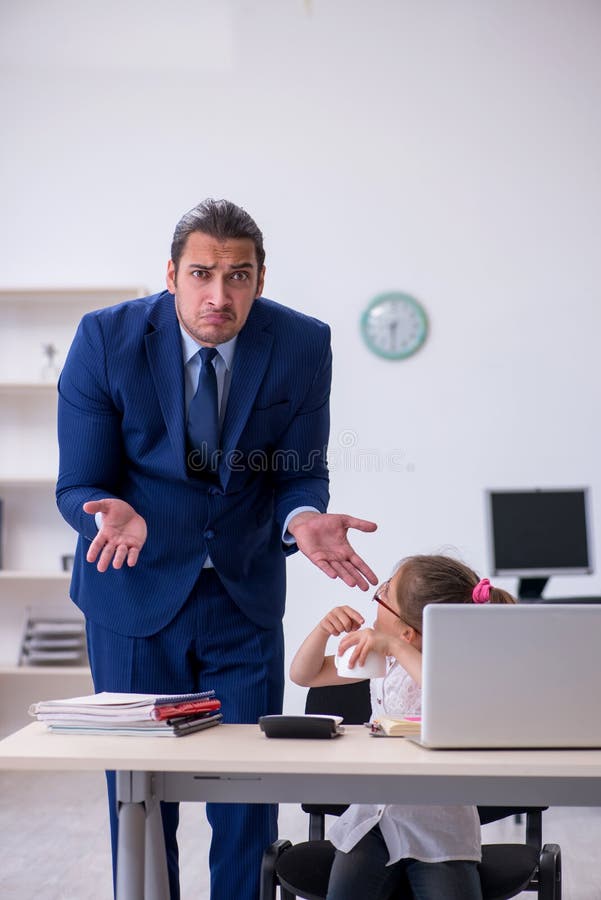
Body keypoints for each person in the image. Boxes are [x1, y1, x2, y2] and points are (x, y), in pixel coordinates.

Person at [55, 198, 378, 900]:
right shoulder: (105, 339)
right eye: (202, 274)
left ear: (261, 279)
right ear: (170, 275)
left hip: (243, 594)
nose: (218, 294)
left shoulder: (298, 343)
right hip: (133, 593)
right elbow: (79, 480)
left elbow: (299, 472)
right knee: (141, 799)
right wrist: (104, 514)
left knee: (246, 797)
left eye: (238, 276)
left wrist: (302, 518)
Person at [290, 553, 517, 900]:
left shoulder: (460, 669)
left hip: (440, 828)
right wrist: (322, 631)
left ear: (408, 633)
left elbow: (445, 697)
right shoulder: (382, 657)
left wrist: (394, 645)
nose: (376, 594)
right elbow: (304, 674)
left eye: (385, 592)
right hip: (373, 819)